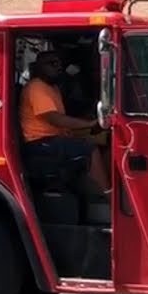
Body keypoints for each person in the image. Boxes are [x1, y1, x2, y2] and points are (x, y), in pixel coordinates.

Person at [18, 50, 110, 195]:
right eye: (52, 63)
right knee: (89, 149)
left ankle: (100, 188)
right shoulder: (36, 87)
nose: (58, 67)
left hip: (54, 137)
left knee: (104, 142)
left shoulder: (52, 87)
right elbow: (55, 118)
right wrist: (89, 124)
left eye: (60, 63)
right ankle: (107, 196)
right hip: (39, 142)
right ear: (39, 66)